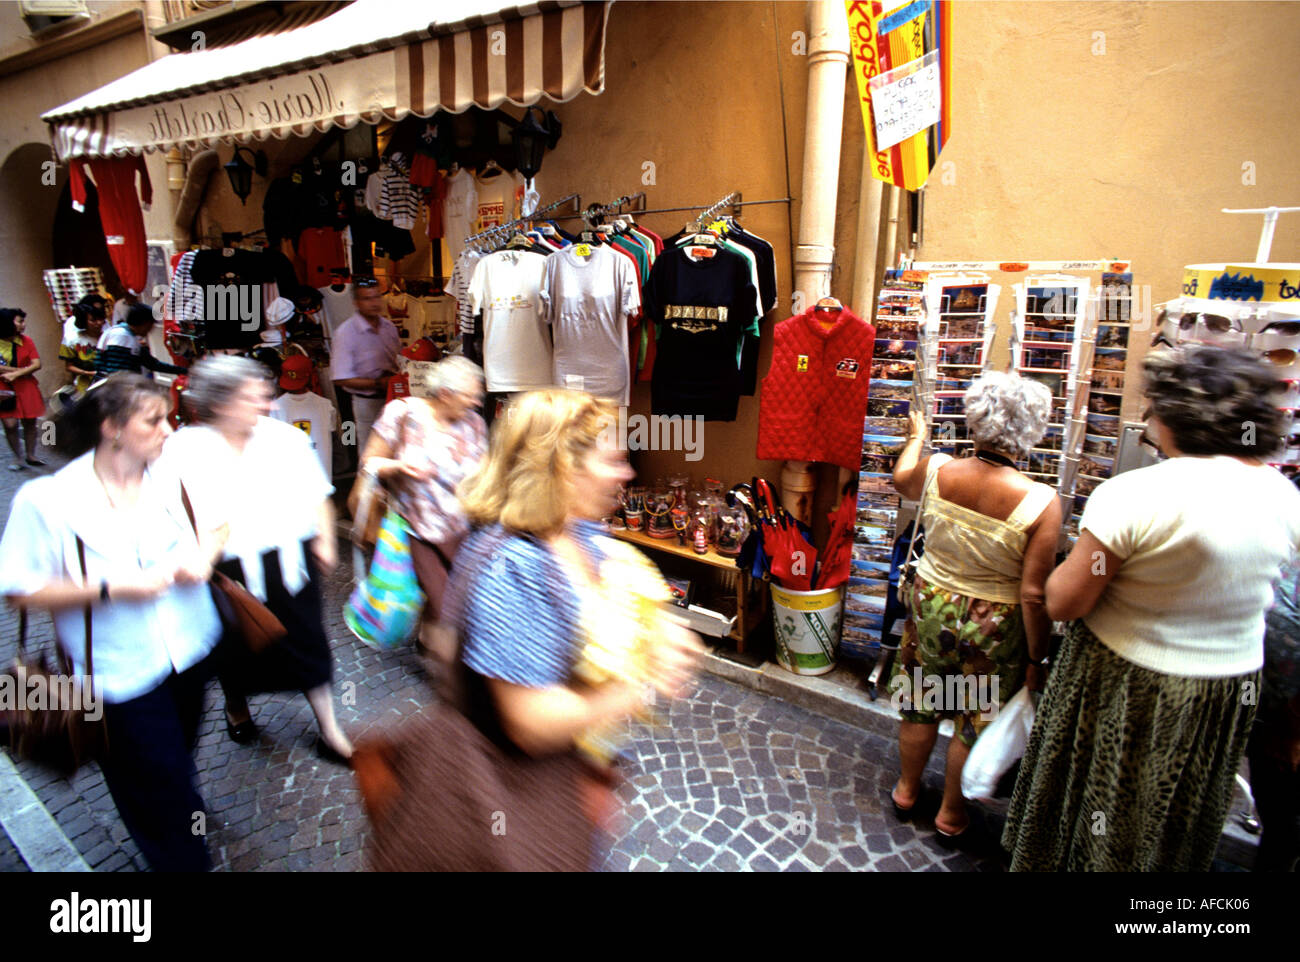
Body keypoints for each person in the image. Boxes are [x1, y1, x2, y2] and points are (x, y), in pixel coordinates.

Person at [1004, 346, 1300, 871]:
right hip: (1223, 690)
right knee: (1172, 816)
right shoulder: (1285, 497)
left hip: (1129, 680)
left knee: (1101, 804)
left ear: (1175, 415)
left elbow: (1067, 601)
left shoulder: (1137, 494)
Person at [441, 390, 701, 856]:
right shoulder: (513, 567)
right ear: (564, 467)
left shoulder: (576, 527)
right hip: (517, 801)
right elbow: (532, 722)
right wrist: (633, 687)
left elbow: (619, 582)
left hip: (573, 783)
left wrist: (660, 629)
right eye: (615, 461)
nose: (628, 474)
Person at [0, 374, 224, 871]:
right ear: (113, 429)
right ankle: (181, 855)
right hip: (115, 672)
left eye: (169, 417)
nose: (169, 429)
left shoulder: (172, 473)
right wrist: (112, 588)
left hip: (189, 648)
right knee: (153, 778)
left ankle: (174, 808)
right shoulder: (47, 501)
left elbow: (216, 524)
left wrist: (204, 560)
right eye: (154, 420)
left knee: (171, 760)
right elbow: (17, 587)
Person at [888, 371, 1060, 841]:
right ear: (1033, 429)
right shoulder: (1044, 503)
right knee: (973, 717)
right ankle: (950, 814)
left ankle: (906, 790)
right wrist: (1035, 657)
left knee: (921, 702)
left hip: (930, 607)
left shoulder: (939, 469)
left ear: (975, 418)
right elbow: (1033, 594)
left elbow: (901, 479)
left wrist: (918, 438)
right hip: (996, 627)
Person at [166, 355, 352, 764]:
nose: (266, 405)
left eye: (264, 396)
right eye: (253, 398)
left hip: (289, 560)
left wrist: (325, 539)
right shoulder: (184, 447)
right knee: (234, 646)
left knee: (308, 641)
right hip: (225, 568)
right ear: (221, 402)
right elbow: (173, 512)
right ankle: (237, 706)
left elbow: (319, 492)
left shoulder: (286, 438)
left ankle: (330, 729)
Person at [358, 355, 486, 644]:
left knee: (467, 602)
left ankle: (428, 642)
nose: (476, 403)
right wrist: (398, 467)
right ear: (445, 393)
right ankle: (451, 671)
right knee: (448, 610)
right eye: (470, 396)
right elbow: (368, 463)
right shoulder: (402, 413)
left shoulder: (475, 424)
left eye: (478, 396)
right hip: (418, 528)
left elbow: (484, 471)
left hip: (464, 531)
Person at [1250, 545, 1300, 871]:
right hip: (1263, 716)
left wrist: (1295, 732)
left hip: (1290, 729)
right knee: (1277, 823)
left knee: (1286, 829)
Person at [329, 279, 400, 460]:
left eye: (377, 297)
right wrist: (378, 383)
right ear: (356, 302)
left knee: (396, 452)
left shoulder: (389, 328)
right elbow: (340, 378)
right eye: (367, 299)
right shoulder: (346, 332)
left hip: (394, 400)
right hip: (365, 402)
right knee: (370, 456)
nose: (374, 303)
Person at [0, 308, 47, 470]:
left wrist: (16, 373)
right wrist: (19, 372)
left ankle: (30, 455)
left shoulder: (26, 340)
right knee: (10, 424)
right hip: (3, 387)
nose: (23, 325)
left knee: (30, 421)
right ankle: (17, 457)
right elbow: (31, 367)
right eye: (20, 321)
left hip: (26, 386)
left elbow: (37, 364)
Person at [95, 303, 185, 381]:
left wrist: (183, 370)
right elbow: (119, 375)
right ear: (145, 324)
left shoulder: (130, 337)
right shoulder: (122, 337)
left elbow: (152, 364)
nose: (150, 329)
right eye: (150, 325)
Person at [59, 300, 107, 400]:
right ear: (84, 321)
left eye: (100, 319)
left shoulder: (110, 336)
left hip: (110, 385)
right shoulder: (73, 340)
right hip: (86, 387)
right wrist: (88, 373)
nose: (98, 323)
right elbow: (69, 366)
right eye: (93, 320)